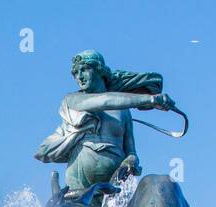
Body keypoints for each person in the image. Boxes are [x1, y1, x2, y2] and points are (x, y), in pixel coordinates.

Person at [36, 50, 175, 193]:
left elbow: (131, 151)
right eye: (76, 73)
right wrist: (150, 99)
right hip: (79, 183)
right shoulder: (73, 100)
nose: (79, 77)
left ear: (99, 70)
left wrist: (130, 161)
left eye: (84, 70)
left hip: (116, 185)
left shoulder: (123, 111)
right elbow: (105, 100)